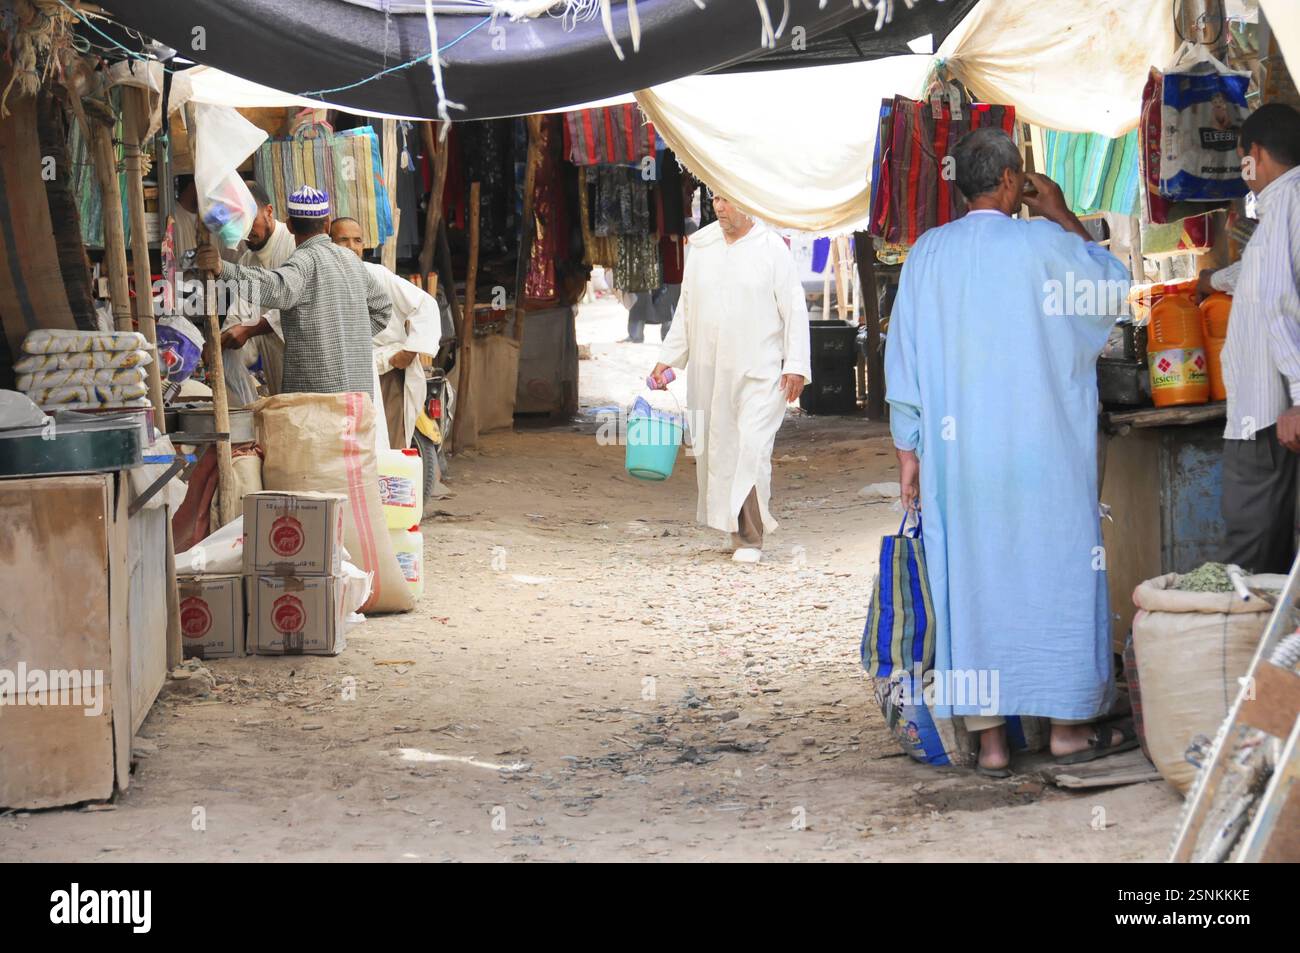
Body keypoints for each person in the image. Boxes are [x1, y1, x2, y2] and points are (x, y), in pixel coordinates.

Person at [884, 127, 1136, 775]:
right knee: (1055, 576)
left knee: (974, 583)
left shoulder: (927, 255)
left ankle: (993, 744)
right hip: (1044, 456)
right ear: (1008, 182)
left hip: (960, 465)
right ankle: (1068, 732)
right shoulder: (1045, 244)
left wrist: (908, 452)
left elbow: (903, 361)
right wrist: (1056, 209)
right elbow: (1111, 286)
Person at [649, 192, 810, 564]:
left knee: (751, 448)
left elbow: (794, 308)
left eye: (728, 200)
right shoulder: (702, 247)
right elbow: (686, 310)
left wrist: (796, 364)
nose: (720, 207)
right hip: (710, 370)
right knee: (720, 451)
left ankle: (751, 539)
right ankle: (735, 529)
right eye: (716, 199)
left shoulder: (771, 248)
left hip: (760, 370)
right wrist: (667, 360)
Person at [1196, 103, 1300, 574]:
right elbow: (1263, 276)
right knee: (1272, 553)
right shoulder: (1286, 205)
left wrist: (1297, 398)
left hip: (1268, 413)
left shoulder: (1285, 202)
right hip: (1272, 413)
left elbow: (1278, 298)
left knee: (1249, 558)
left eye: (1242, 157)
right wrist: (1215, 281)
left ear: (1255, 152)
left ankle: (1234, 644)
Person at [195, 186, 390, 395]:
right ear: (327, 224)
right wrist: (350, 338)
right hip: (357, 399)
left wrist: (223, 268)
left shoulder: (303, 260)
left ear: (288, 225)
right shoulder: (351, 259)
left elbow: (276, 288)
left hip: (317, 396)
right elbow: (383, 308)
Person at [329, 216, 446, 449]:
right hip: (343, 376)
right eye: (343, 240)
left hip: (386, 375)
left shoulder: (378, 276)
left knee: (389, 446)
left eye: (357, 240)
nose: (351, 247)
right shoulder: (323, 278)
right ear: (329, 243)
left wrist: (410, 352)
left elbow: (425, 305)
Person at [219, 180, 295, 404]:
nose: (244, 231)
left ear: (268, 212)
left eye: (249, 221)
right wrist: (222, 340)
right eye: (237, 223)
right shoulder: (247, 260)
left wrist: (248, 329)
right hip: (274, 363)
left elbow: (297, 307)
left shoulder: (293, 246)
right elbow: (242, 313)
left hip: (302, 358)